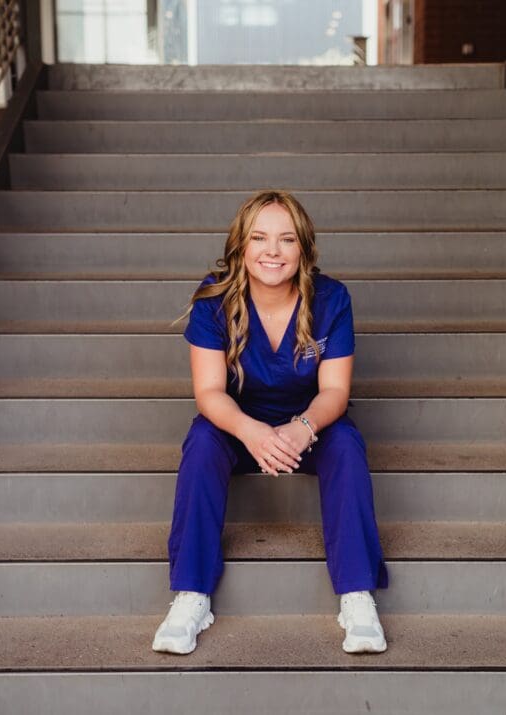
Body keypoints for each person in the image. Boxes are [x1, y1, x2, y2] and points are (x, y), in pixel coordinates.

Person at [152, 189, 389, 656]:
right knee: (201, 441)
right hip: (239, 426)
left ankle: (357, 597)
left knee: (345, 445)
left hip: (310, 425)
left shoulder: (332, 299)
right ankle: (192, 595)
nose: (272, 251)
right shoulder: (214, 300)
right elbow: (209, 394)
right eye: (259, 238)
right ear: (241, 246)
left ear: (304, 247)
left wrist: (302, 427)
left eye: (286, 239)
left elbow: (336, 392)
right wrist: (252, 431)